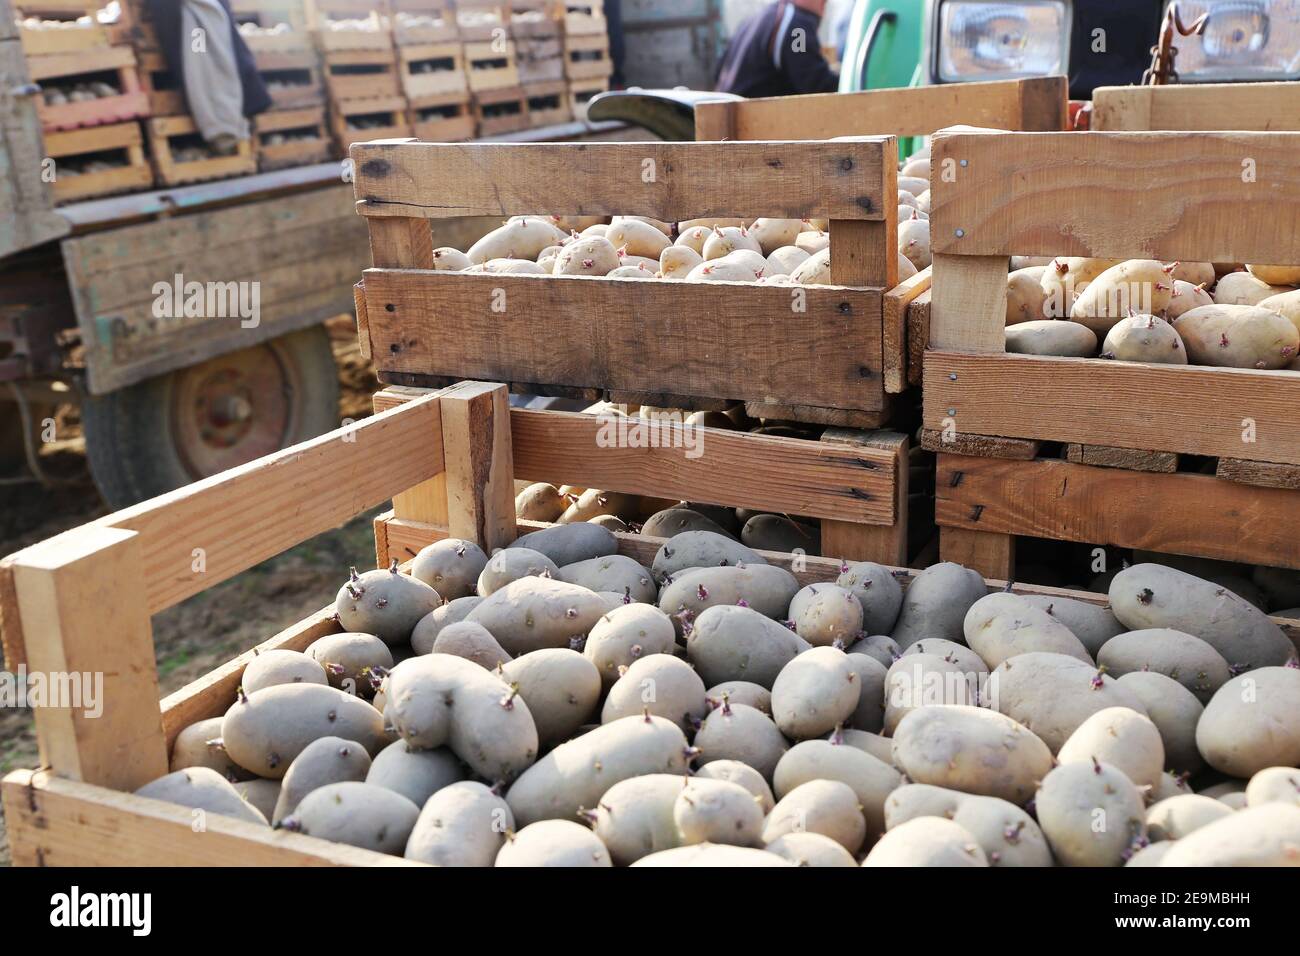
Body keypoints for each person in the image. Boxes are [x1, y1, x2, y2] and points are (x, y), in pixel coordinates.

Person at [715, 0, 839, 98]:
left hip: (732, 118)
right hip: (754, 123)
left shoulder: (754, 19)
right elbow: (815, 82)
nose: (825, 4)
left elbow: (719, 71)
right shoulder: (797, 27)